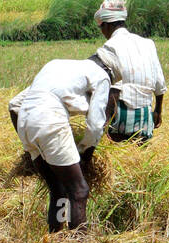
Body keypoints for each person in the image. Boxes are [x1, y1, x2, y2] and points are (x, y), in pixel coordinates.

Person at [8, 56, 117, 233]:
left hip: (25, 122)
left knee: (58, 189)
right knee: (79, 190)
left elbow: (14, 104)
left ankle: (55, 238)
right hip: (49, 121)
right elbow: (96, 125)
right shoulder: (102, 76)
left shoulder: (57, 66)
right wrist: (84, 153)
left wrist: (28, 147)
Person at [93, 0, 166, 143]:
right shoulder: (148, 44)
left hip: (121, 118)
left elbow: (114, 88)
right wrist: (157, 111)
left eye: (101, 28)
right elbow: (159, 83)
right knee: (139, 155)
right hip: (145, 119)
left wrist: (104, 125)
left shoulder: (111, 46)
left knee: (117, 153)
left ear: (106, 25)